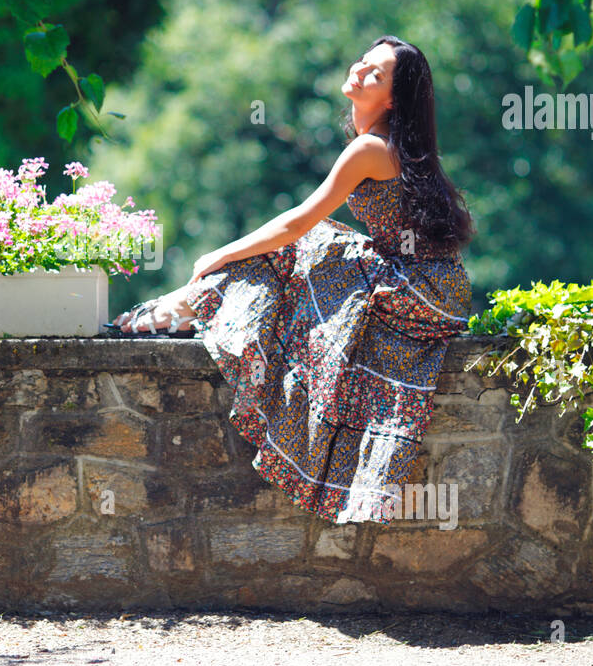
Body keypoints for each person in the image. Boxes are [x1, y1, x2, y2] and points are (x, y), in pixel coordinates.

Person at [106, 35, 475, 523]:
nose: (360, 70)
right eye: (363, 62)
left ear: (392, 99)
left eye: (376, 73)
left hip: (420, 288)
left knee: (305, 245)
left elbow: (297, 222)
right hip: (437, 291)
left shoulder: (370, 148)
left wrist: (218, 253)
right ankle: (176, 308)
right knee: (307, 253)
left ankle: (174, 309)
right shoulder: (389, 146)